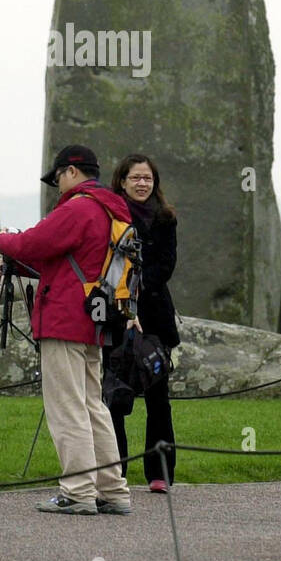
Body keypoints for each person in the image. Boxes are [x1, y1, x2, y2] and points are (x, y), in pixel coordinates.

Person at [0, 145, 133, 515]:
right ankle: (113, 490)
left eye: (58, 178)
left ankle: (78, 491)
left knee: (67, 407)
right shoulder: (112, 208)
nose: (58, 186)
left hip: (64, 318)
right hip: (95, 318)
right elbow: (68, 263)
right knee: (92, 405)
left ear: (71, 171)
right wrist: (15, 267)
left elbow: (31, 243)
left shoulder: (78, 207)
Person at [105, 154, 179, 493]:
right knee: (114, 394)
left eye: (147, 178)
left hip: (154, 315)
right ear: (122, 180)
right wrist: (126, 297)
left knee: (157, 395)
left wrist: (138, 286)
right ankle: (114, 469)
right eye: (135, 177)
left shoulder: (165, 218)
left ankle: (159, 471)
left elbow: (166, 264)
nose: (142, 184)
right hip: (117, 313)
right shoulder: (110, 215)